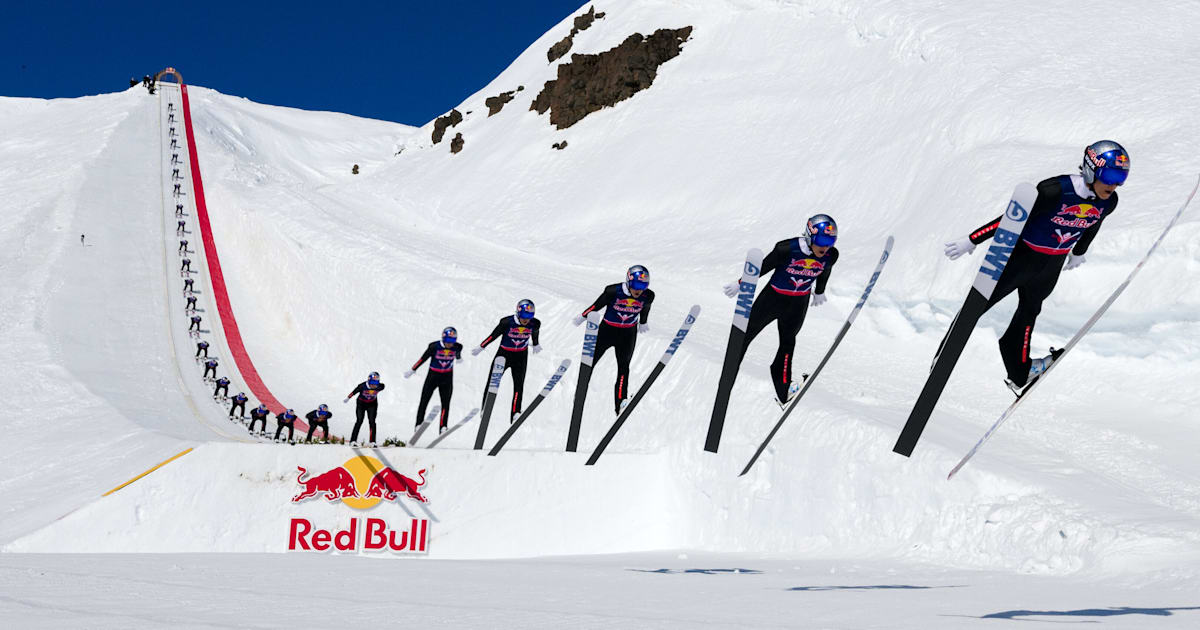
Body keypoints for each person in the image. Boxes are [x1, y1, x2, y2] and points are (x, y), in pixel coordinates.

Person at [942, 140, 1129, 395]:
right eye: (1110, 175)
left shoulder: (1110, 201)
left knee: (1029, 314)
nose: (1114, 184)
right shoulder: (1054, 190)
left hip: (1051, 266)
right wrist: (973, 239)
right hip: (1021, 258)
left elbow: (1093, 222)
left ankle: (1020, 372)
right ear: (1091, 169)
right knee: (978, 306)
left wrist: (1079, 251)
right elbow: (1011, 220)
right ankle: (943, 357)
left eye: (1121, 177)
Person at [723, 214, 838, 406]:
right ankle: (729, 374)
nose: (825, 246)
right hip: (772, 299)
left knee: (788, 343)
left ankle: (783, 390)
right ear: (810, 235)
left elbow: (826, 270)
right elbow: (763, 267)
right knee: (745, 335)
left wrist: (819, 291)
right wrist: (741, 283)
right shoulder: (786, 249)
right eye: (822, 240)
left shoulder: (830, 255)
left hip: (797, 304)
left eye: (831, 241)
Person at [573, 265, 655, 414]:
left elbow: (645, 308)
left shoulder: (648, 295)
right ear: (629, 282)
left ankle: (621, 403)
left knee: (624, 368)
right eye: (636, 285)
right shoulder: (613, 291)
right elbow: (596, 306)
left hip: (628, 334)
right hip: (607, 331)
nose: (639, 290)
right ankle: (580, 391)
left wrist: (643, 322)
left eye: (643, 286)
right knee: (590, 363)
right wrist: (582, 316)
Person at [473, 300, 542, 421]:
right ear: (518, 313)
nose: (526, 320)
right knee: (492, 382)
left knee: (519, 384)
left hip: (521, 356)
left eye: (529, 317)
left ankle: (515, 412)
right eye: (524, 317)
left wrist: (536, 344)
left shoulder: (534, 323)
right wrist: (481, 346)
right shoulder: (507, 322)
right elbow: (493, 335)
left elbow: (535, 333)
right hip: (504, 354)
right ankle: (485, 408)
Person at [405, 327, 463, 432]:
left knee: (446, 402)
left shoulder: (458, 346)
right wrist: (413, 369)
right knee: (424, 400)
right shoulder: (434, 346)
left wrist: (459, 358)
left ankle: (443, 426)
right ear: (443, 339)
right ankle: (418, 424)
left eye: (453, 341)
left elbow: (458, 351)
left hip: (447, 377)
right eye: (448, 341)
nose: (450, 344)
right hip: (433, 376)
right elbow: (423, 359)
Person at [345, 372, 386, 444]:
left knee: (372, 422)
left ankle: (372, 441)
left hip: (372, 405)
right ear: (368, 381)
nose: (374, 385)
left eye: (376, 383)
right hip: (361, 404)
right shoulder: (362, 386)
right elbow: (354, 391)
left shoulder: (380, 386)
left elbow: (383, 386)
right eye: (372, 382)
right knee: (359, 421)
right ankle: (353, 440)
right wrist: (348, 397)